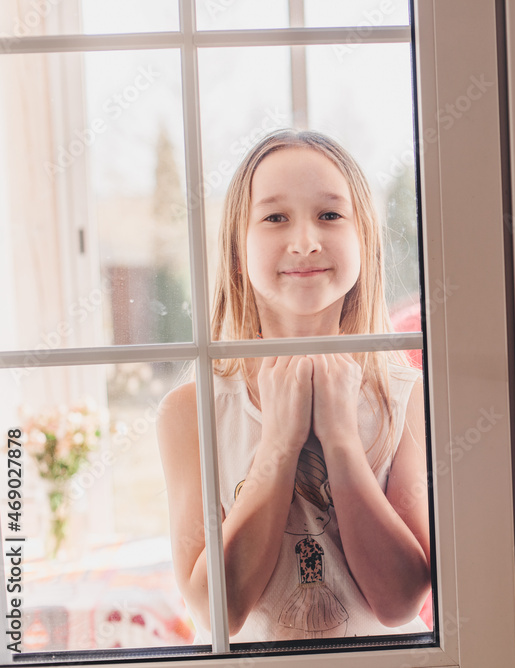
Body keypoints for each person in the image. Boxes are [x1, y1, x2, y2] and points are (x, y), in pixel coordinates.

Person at [157, 129, 430, 641]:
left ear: (364, 240)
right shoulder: (191, 410)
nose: (305, 242)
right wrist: (279, 444)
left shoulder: (405, 395)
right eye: (275, 217)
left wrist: (341, 441)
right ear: (238, 247)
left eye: (330, 215)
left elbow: (399, 603)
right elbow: (218, 613)